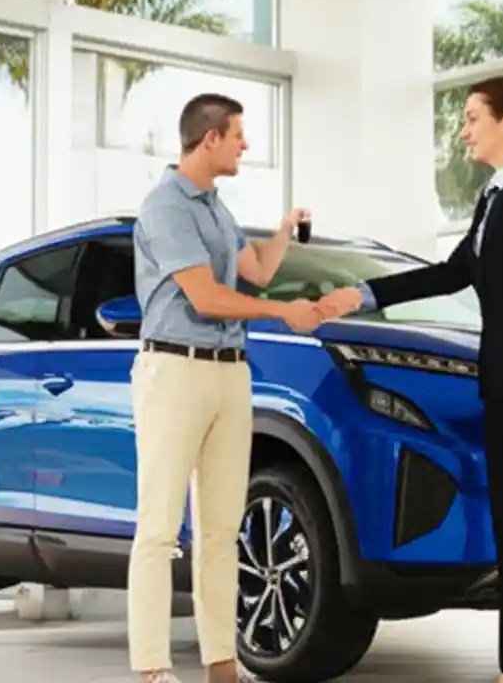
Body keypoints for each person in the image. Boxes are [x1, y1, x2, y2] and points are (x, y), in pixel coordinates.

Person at [319, 76, 503, 683]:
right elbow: (450, 274)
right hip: (501, 389)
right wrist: (363, 295)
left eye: (473, 117)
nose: (464, 130)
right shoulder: (493, 200)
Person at [129, 92, 322, 683]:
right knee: (159, 529)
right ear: (209, 137)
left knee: (221, 530)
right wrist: (284, 313)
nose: (245, 145)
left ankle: (222, 665)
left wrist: (284, 231)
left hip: (229, 371)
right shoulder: (166, 206)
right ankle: (153, 668)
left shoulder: (215, 206)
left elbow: (255, 269)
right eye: (238, 135)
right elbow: (207, 297)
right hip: (175, 371)